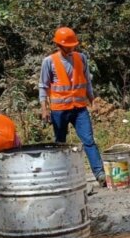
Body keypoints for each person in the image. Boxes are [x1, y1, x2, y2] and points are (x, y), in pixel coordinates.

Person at [39, 27, 106, 185]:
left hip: (79, 108)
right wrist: (44, 109)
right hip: (59, 111)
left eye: (73, 45)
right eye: (68, 46)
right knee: (60, 143)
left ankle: (100, 174)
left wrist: (93, 101)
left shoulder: (81, 58)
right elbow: (43, 86)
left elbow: (87, 82)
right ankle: (61, 177)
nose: (71, 48)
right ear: (59, 45)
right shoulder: (49, 62)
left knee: (89, 140)